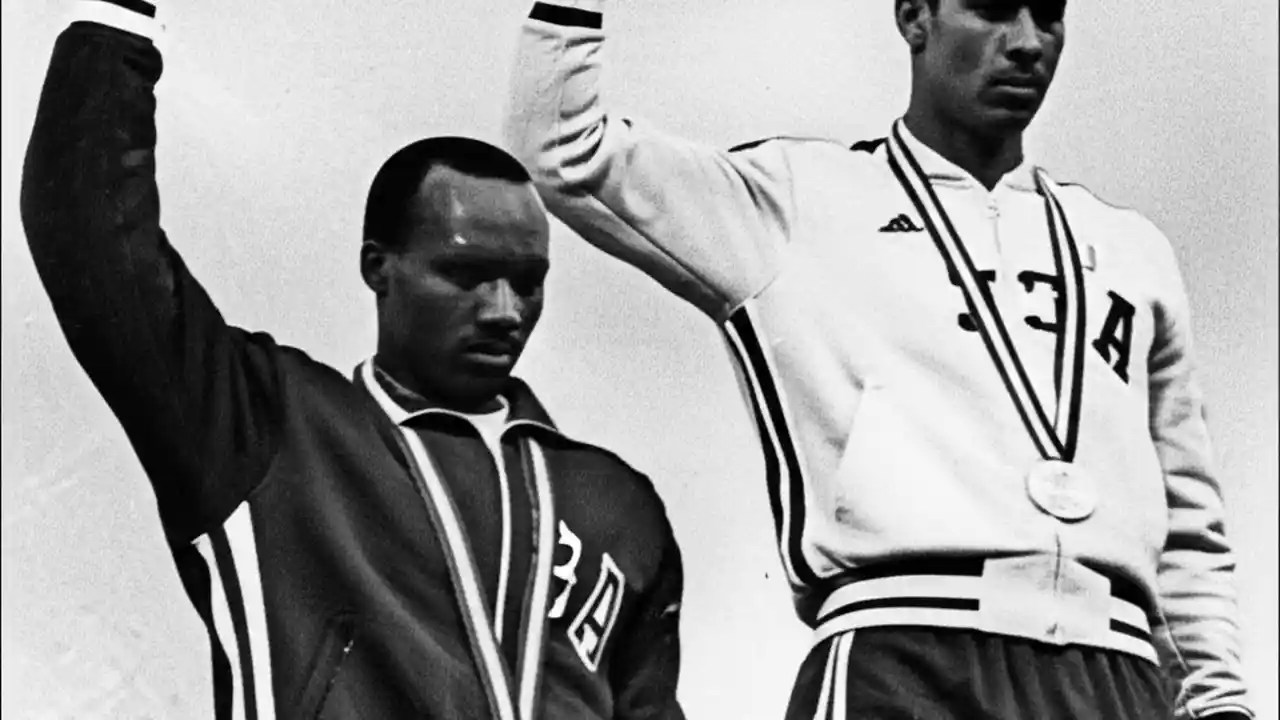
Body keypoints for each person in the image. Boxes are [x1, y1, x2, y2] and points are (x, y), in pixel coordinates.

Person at [504, 1, 1254, 718]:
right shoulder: (798, 203)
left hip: (1115, 670)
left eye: (1048, 13)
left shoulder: (1130, 250)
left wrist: (1219, 702)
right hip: (907, 650)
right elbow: (562, 147)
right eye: (993, 10)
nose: (1028, 42)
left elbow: (1187, 522)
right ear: (914, 16)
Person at [21, 2, 685, 719]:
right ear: (379, 267)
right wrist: (117, 20)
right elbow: (93, 236)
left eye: (527, 281)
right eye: (467, 275)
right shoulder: (269, 430)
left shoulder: (617, 505)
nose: (504, 309)